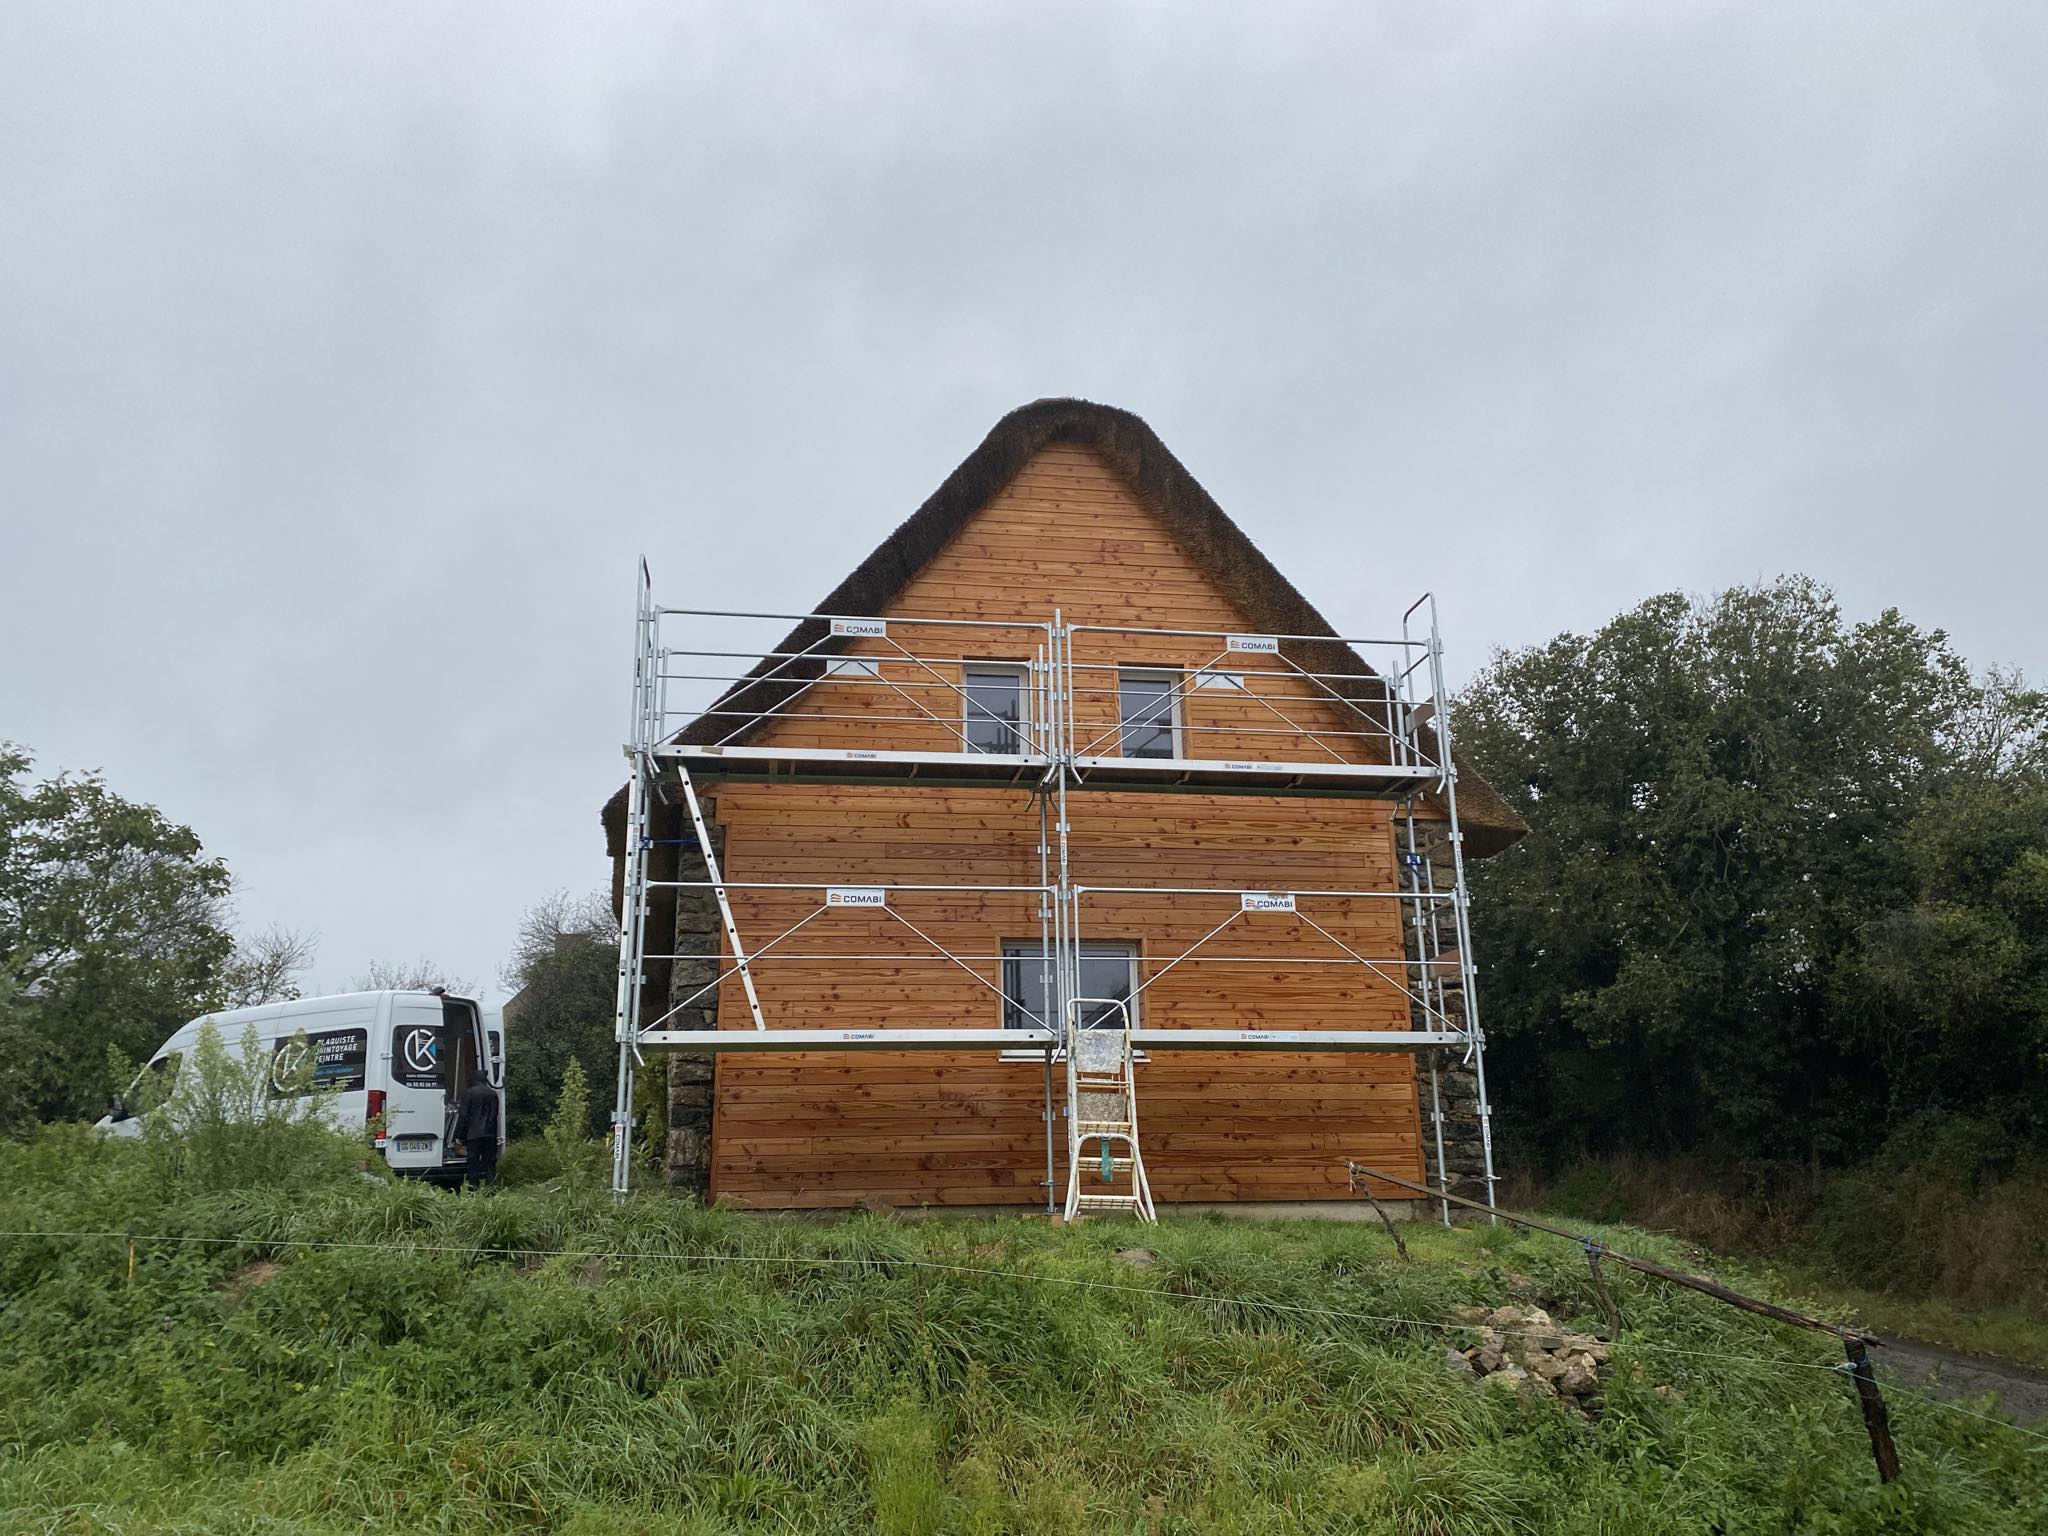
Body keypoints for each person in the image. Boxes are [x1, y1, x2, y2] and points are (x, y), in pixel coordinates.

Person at [453, 1072, 501, 1187]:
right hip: (490, 1134)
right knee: (490, 1163)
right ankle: (491, 1189)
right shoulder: (493, 1094)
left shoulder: (469, 1093)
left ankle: (473, 1189)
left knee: (473, 1164)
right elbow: (494, 1115)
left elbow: (463, 1116)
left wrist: (459, 1135)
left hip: (473, 1134)